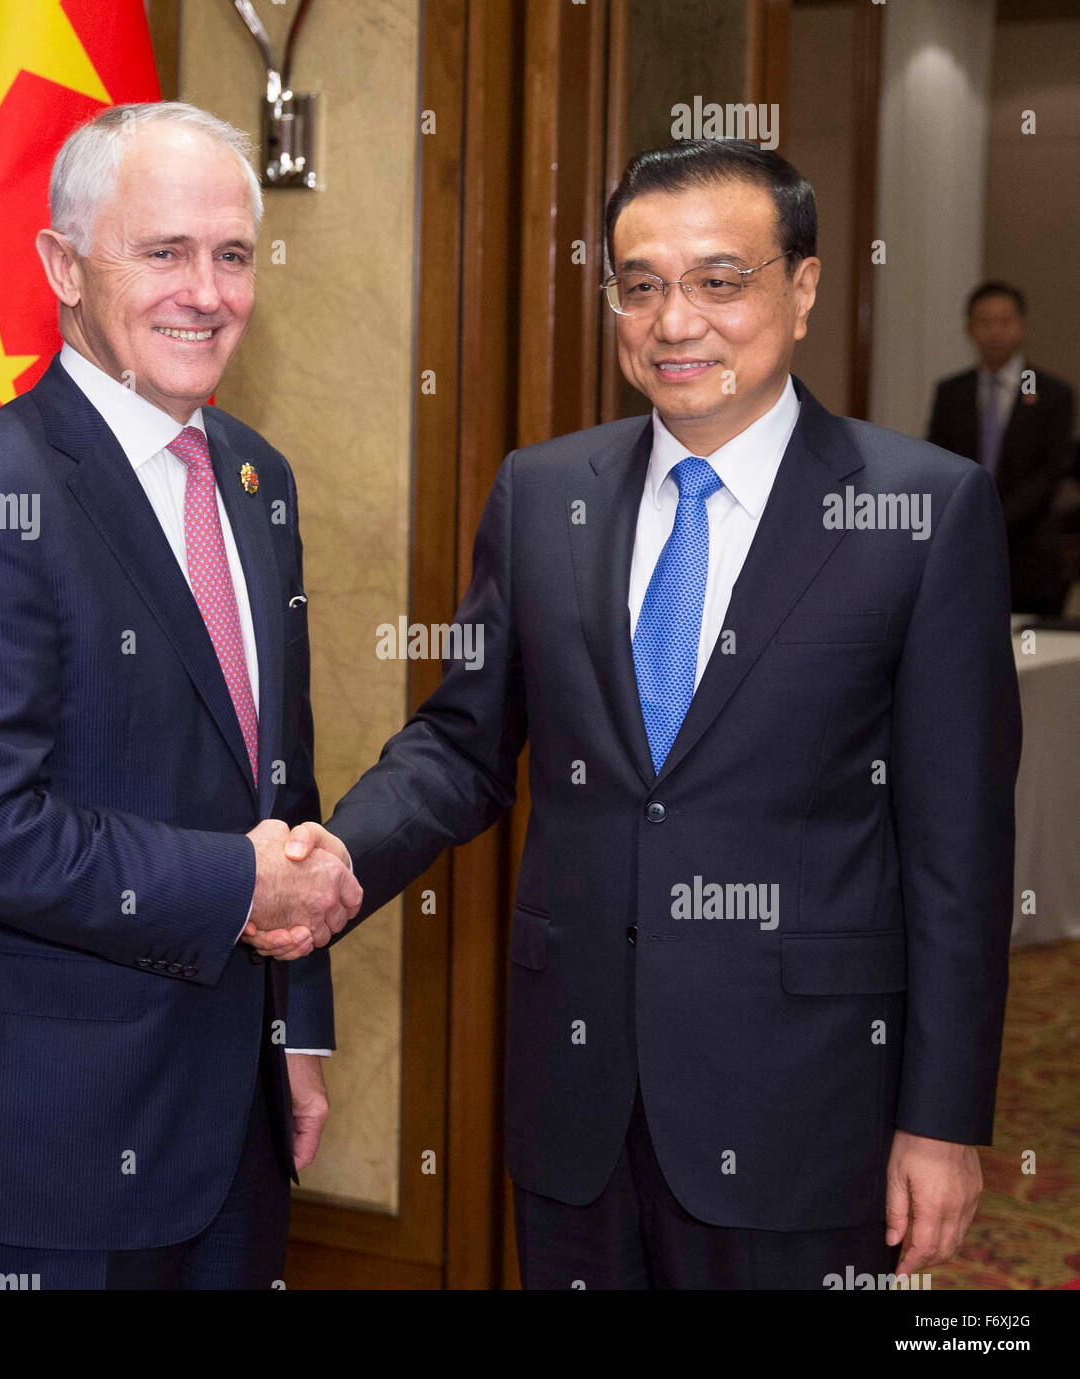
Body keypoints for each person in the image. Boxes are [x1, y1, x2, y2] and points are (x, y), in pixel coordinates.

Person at [286, 140, 1022, 1289]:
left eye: (719, 280)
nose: (676, 321)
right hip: (577, 1102)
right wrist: (335, 856)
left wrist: (939, 1118)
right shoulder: (542, 494)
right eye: (640, 284)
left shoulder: (924, 510)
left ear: (804, 287)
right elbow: (463, 741)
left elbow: (958, 851)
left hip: (806, 1107)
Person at [0, 102, 360, 1290]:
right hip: (48, 1142)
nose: (206, 290)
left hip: (233, 1119)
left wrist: (296, 1025)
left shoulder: (254, 478)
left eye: (232, 254)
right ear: (61, 269)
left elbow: (275, 780)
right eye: (163, 252)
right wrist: (239, 882)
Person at [927, 281, 1075, 614]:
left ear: (1020, 326)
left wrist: (996, 517)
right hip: (964, 544)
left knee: (1033, 656)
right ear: (969, 329)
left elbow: (1053, 469)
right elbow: (936, 459)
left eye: (1004, 321)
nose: (994, 331)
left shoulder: (1052, 394)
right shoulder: (952, 392)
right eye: (984, 321)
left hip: (1030, 549)